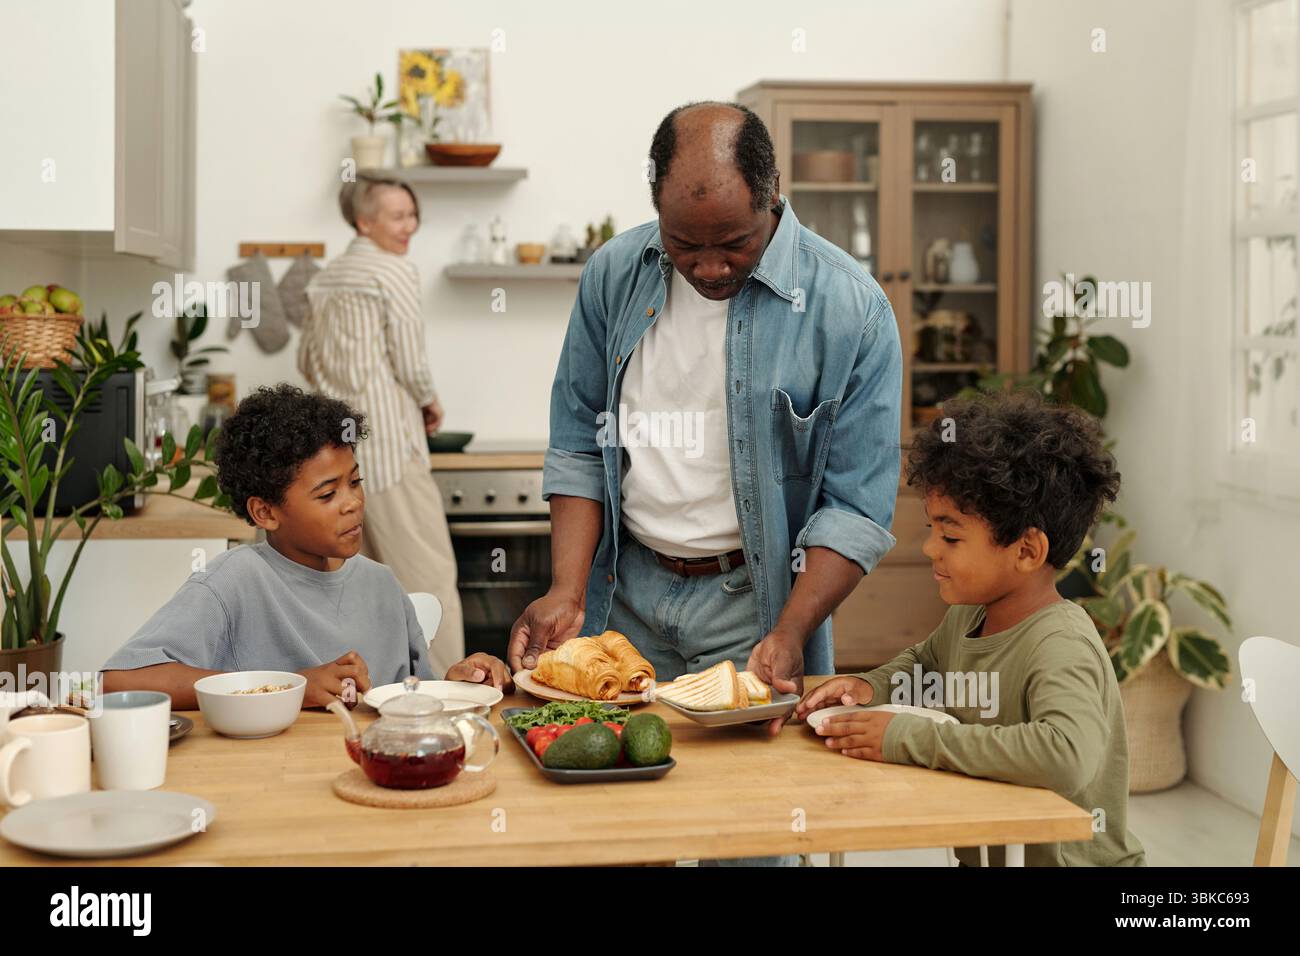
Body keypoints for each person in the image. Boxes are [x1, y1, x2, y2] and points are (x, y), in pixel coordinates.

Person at [509, 100, 903, 736]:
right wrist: (567, 590)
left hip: (755, 610)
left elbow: (856, 506)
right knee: (624, 805)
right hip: (625, 593)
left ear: (773, 194)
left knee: (750, 824)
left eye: (736, 243)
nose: (711, 267)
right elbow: (582, 441)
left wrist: (790, 631)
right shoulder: (614, 274)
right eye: (684, 243)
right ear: (656, 204)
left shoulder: (850, 310)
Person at [796, 392, 1147, 867]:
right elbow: (925, 665)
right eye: (932, 529)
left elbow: (1065, 755)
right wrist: (868, 685)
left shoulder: (1060, 643)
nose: (929, 549)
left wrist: (905, 739)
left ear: (1026, 551)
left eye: (951, 535)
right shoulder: (970, 616)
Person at [101, 385, 509, 709]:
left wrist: (460, 683)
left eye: (355, 482)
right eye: (327, 494)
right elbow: (117, 681)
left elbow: (413, 696)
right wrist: (286, 686)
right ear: (265, 512)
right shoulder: (235, 581)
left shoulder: (382, 584)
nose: (352, 503)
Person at [297, 172, 465, 676]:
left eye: (413, 214)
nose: (409, 225)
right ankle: (453, 691)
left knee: (351, 586)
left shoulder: (324, 279)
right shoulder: (394, 271)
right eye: (397, 215)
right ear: (364, 220)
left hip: (333, 460)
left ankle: (369, 695)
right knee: (428, 578)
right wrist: (429, 401)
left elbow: (306, 360)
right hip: (390, 448)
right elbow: (409, 359)